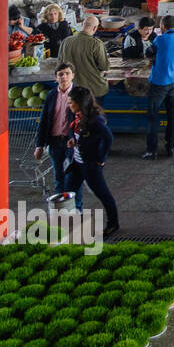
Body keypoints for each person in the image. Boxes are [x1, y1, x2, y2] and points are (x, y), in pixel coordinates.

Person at [63, 86, 118, 238]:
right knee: (68, 192)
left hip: (90, 164)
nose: (69, 106)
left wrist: (101, 159)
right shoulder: (76, 115)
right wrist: (73, 140)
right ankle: (70, 223)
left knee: (102, 194)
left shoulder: (95, 120)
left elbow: (108, 138)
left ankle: (113, 223)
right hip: (77, 162)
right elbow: (73, 131)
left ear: (80, 103)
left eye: (71, 103)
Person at [36, 63, 80, 210]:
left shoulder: (79, 94)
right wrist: (39, 145)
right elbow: (44, 121)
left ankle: (76, 210)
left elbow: (86, 119)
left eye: (67, 73)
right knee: (58, 178)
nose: (64, 77)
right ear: (56, 78)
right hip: (54, 143)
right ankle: (60, 212)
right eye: (60, 74)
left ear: (73, 75)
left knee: (73, 179)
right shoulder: (51, 95)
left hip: (71, 144)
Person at [144, 14, 174, 161]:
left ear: (162, 26)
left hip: (159, 83)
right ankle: (171, 147)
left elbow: (149, 52)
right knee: (172, 116)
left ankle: (151, 150)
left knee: (152, 117)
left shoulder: (159, 39)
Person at [60, 14, 108, 99]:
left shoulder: (65, 42)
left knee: (74, 112)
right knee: (92, 112)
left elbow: (59, 65)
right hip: (93, 90)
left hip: (72, 90)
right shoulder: (96, 43)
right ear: (94, 28)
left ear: (82, 25)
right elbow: (104, 66)